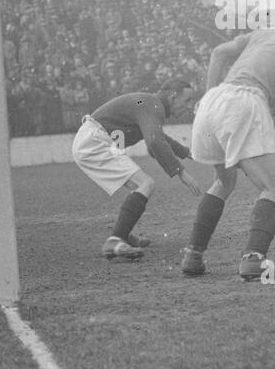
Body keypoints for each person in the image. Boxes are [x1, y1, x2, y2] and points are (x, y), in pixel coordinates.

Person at [180, 0, 275, 281]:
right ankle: (254, 260)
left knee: (224, 181)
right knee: (272, 189)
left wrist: (208, 94)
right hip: (244, 103)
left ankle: (193, 254)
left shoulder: (266, 32)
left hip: (213, 102)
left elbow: (218, 53)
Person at [71, 78, 202, 260]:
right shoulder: (152, 105)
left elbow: (155, 138)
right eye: (187, 100)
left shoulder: (148, 103)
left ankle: (122, 234)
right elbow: (155, 141)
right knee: (145, 184)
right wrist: (181, 172)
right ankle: (115, 240)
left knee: (138, 187)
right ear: (173, 97)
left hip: (92, 139)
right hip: (95, 141)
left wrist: (185, 152)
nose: (189, 106)